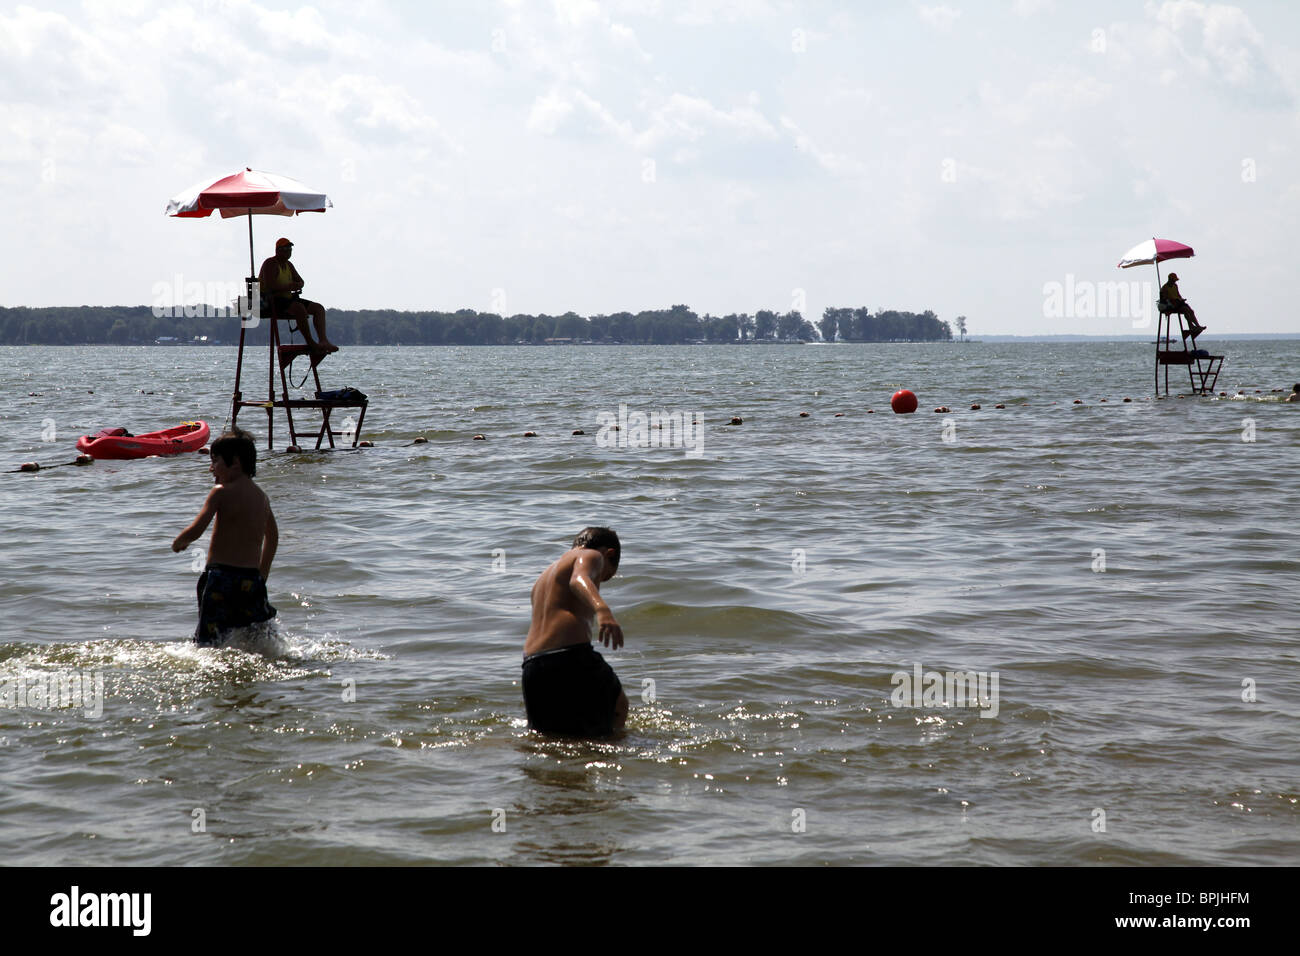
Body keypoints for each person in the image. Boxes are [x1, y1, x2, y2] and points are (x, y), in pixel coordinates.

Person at [171, 429, 279, 646]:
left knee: (208, 643)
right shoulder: (262, 497)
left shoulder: (220, 492)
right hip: (251, 580)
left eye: (215, 461)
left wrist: (179, 542)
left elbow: (197, 529)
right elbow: (273, 538)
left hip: (220, 578)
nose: (211, 468)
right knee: (255, 638)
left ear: (235, 463)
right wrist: (262, 575)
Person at [522, 527, 628, 737]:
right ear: (610, 554)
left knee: (550, 736)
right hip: (570, 657)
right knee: (618, 708)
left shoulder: (544, 576)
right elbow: (578, 580)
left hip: (533, 666)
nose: (600, 580)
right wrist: (602, 610)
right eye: (605, 576)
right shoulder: (591, 555)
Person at [257, 237, 339, 356]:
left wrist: (295, 285)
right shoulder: (270, 263)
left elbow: (301, 282)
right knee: (299, 309)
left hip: (288, 299)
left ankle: (323, 340)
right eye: (285, 248)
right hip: (272, 301)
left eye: (290, 248)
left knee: (318, 308)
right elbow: (271, 286)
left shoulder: (289, 265)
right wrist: (290, 286)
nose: (288, 251)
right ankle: (311, 343)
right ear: (278, 250)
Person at [1159, 272, 1206, 340]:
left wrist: (1181, 299)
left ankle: (1197, 326)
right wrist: (1176, 300)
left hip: (1178, 303)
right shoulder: (1164, 288)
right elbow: (1166, 299)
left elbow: (1178, 295)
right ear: (1170, 279)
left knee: (1191, 311)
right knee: (1185, 310)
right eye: (1174, 280)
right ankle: (1191, 326)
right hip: (1170, 305)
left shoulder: (1175, 286)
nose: (1175, 281)